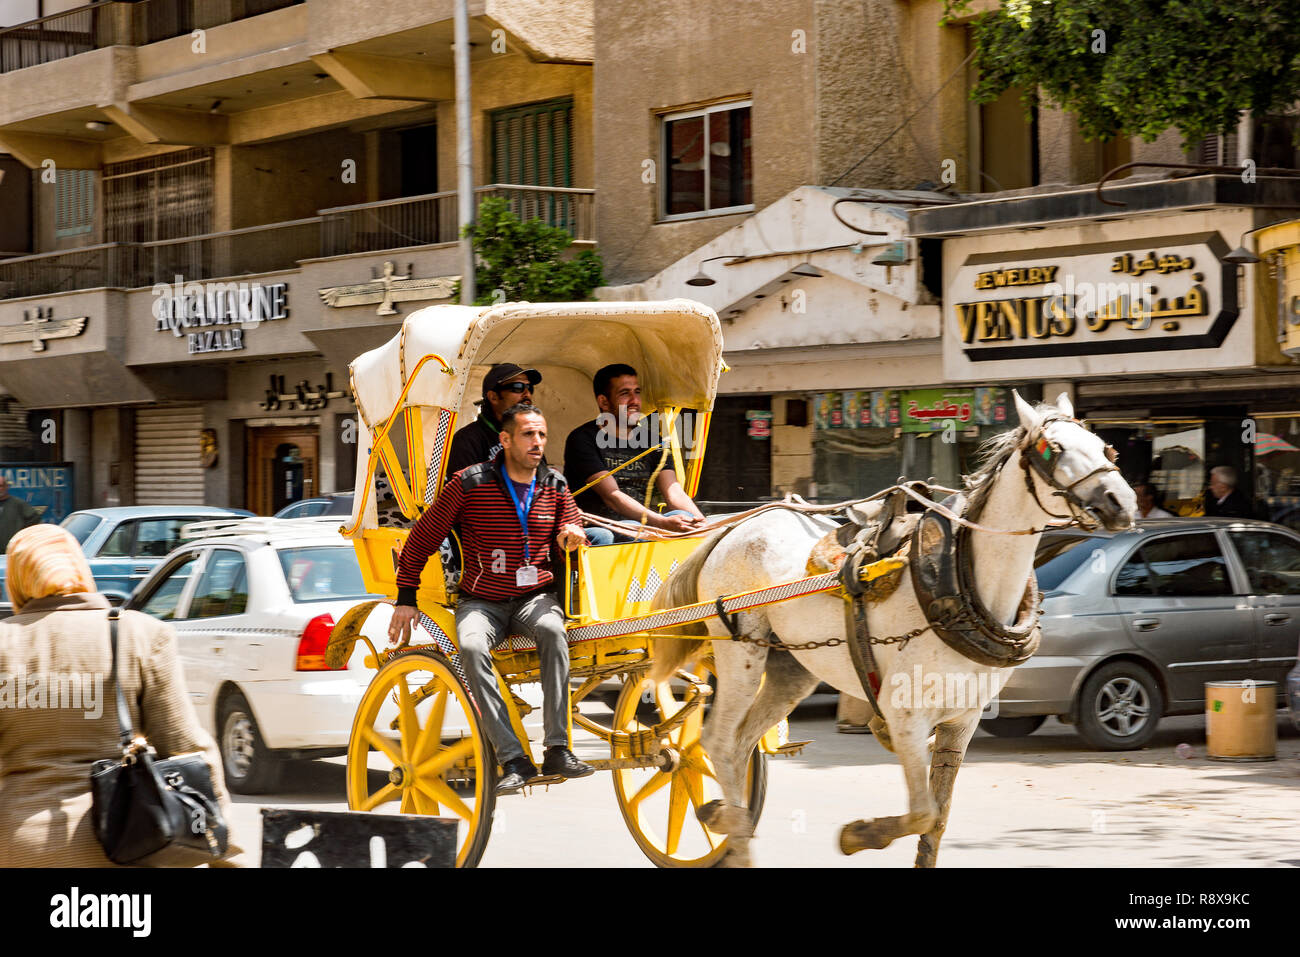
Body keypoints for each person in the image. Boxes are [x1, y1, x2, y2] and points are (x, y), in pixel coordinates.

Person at [0, 524, 245, 867]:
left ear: (17, 579)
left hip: (15, 847)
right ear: (80, 568)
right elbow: (187, 749)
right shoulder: (141, 634)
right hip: (122, 844)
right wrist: (226, 852)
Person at [389, 403, 594, 794]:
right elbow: (423, 537)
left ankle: (557, 748)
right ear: (505, 440)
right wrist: (406, 596)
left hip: (535, 597)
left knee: (553, 629)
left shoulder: (555, 484)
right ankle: (512, 758)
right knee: (469, 645)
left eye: (542, 435)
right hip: (481, 601)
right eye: (528, 435)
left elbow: (573, 526)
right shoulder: (469, 482)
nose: (537, 443)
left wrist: (571, 535)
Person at [563, 363, 706, 545]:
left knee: (684, 517)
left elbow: (674, 492)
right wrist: (661, 522)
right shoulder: (582, 439)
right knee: (630, 528)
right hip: (597, 526)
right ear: (603, 401)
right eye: (624, 393)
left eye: (637, 392)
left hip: (641, 524)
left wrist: (702, 525)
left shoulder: (654, 441)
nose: (635, 401)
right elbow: (612, 496)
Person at [446, 363, 542, 476]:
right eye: (517, 387)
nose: (527, 394)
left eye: (529, 388)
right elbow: (462, 490)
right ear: (493, 397)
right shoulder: (467, 440)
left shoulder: (532, 437)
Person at [0, 476, 39, 550]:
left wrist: (23, 539)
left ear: (6, 487)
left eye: (0, 486)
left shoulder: (18, 504)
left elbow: (34, 522)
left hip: (14, 552)